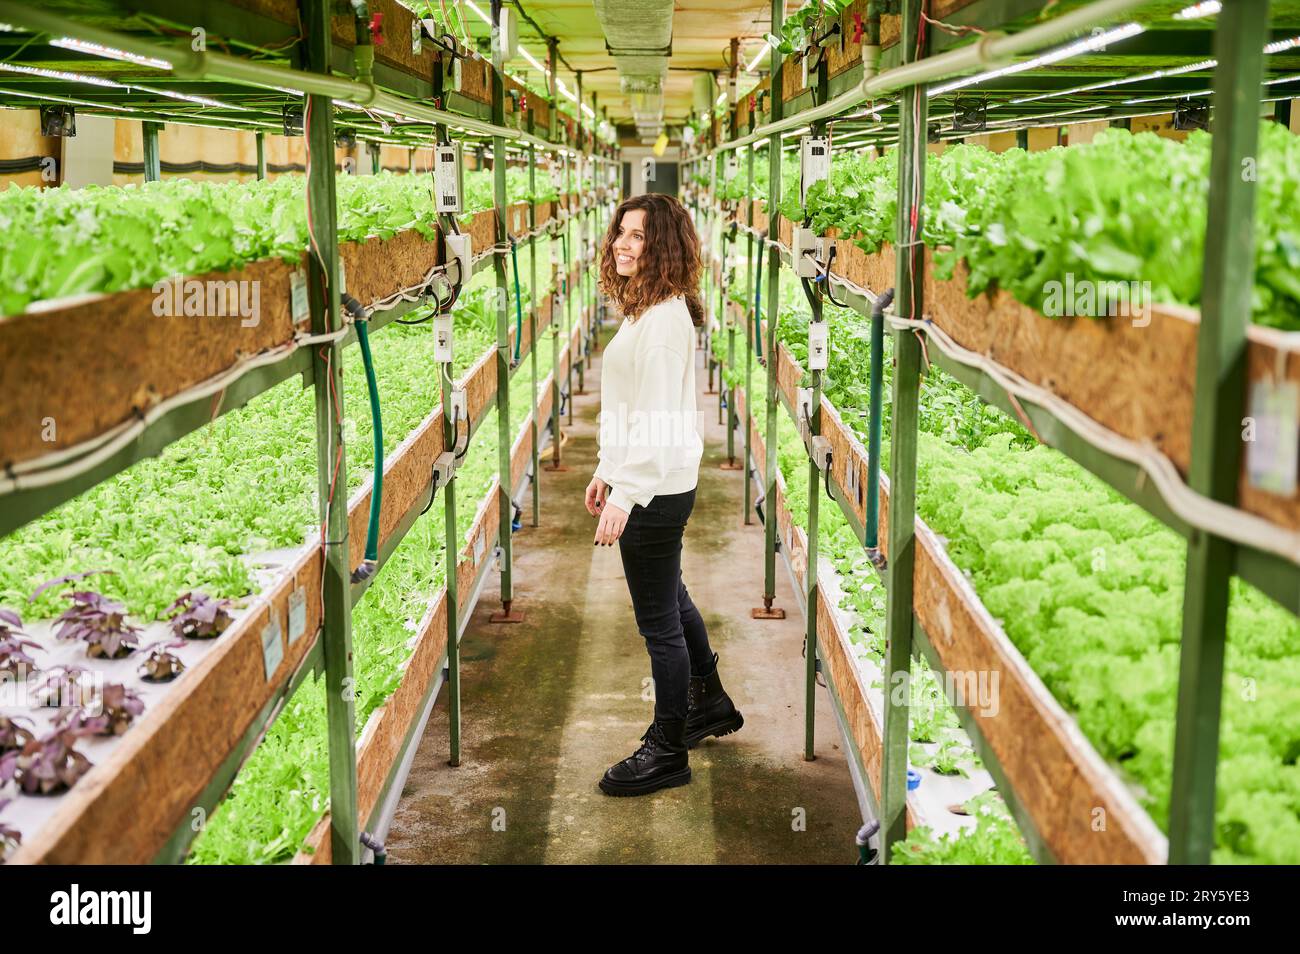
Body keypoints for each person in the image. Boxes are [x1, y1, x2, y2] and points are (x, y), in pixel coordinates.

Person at [585, 193, 744, 798]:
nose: (623, 245)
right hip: (657, 483)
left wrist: (625, 494)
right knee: (672, 599)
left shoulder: (660, 324)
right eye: (621, 233)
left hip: (654, 491)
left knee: (659, 627)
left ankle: (668, 746)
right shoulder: (650, 309)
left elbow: (652, 420)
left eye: (639, 238)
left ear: (665, 248)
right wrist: (606, 468)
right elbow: (629, 410)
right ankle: (710, 698)